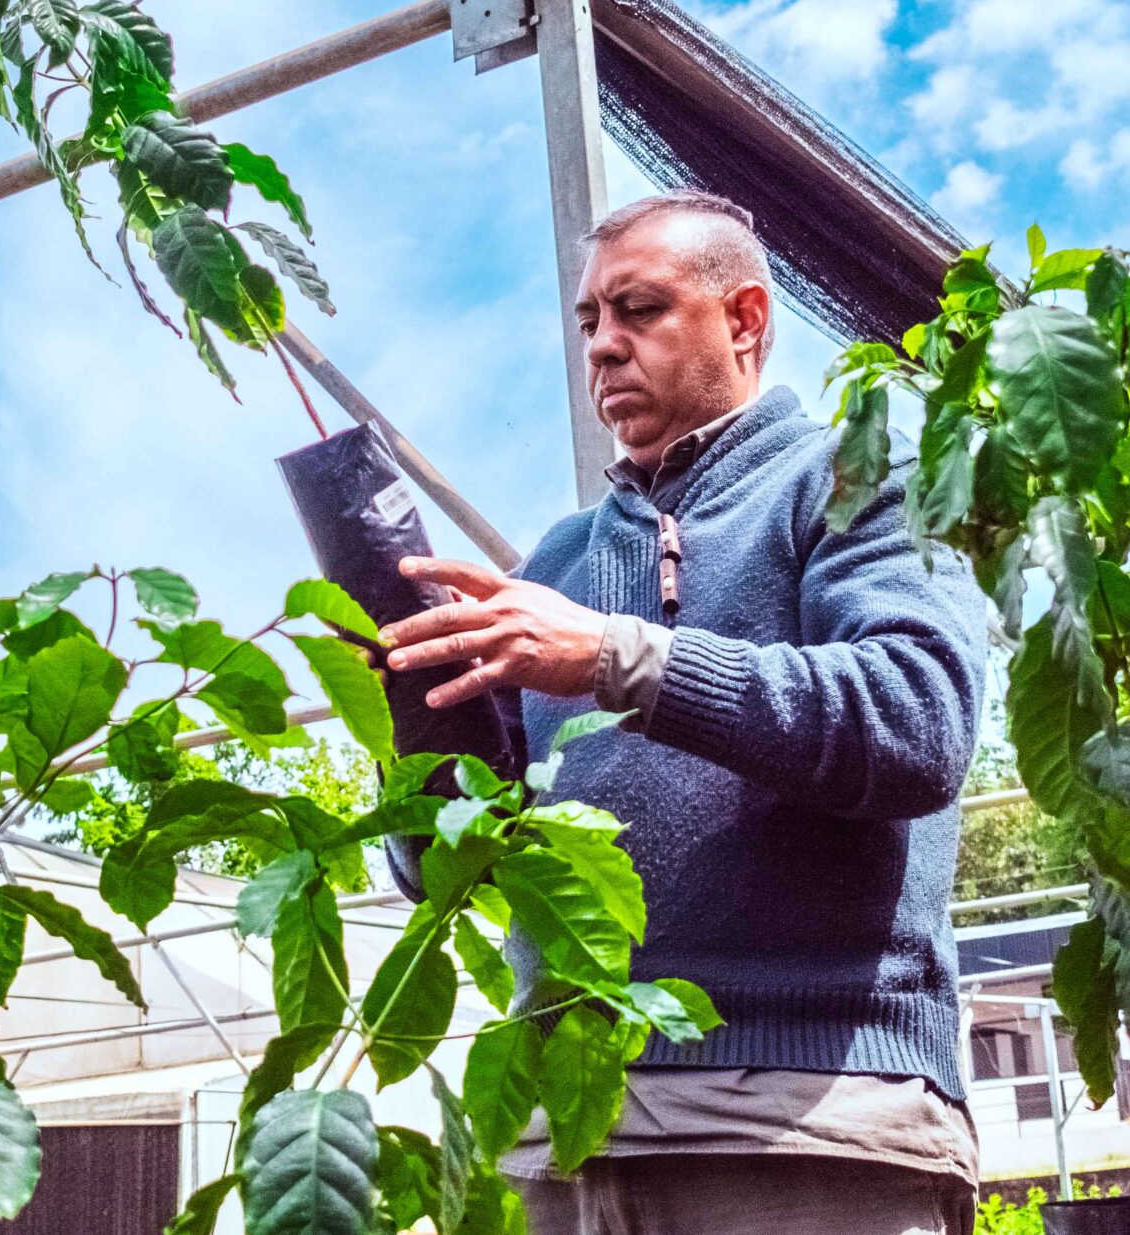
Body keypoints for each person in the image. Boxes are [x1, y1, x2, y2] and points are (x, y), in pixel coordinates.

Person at [377, 189, 987, 1235]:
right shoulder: (556, 564)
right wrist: (422, 729)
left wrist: (617, 656)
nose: (603, 347)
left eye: (639, 310)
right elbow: (451, 869)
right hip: (559, 1124)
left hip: (804, 1116)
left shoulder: (859, 477)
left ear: (744, 320)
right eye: (587, 323)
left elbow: (915, 722)